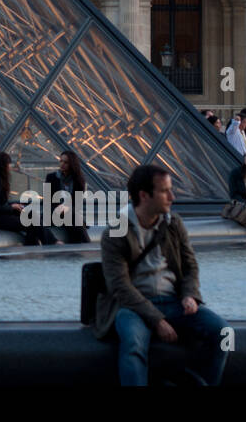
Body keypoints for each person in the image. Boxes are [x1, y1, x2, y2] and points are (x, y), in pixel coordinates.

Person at [93, 165, 230, 386]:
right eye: (165, 191)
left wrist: (189, 295)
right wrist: (156, 319)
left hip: (174, 302)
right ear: (144, 196)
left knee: (225, 334)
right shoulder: (116, 230)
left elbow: (190, 266)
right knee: (134, 345)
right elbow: (119, 286)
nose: (172, 196)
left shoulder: (174, 223)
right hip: (133, 307)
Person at [0, 140, 55, 245]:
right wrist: (12, 207)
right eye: (9, 164)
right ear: (3, 166)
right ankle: (48, 243)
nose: (10, 167)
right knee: (31, 221)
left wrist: (14, 207)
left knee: (31, 215)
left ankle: (40, 244)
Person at [46, 149, 90, 243]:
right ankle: (88, 245)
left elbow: (77, 204)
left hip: (70, 214)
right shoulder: (51, 178)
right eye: (61, 161)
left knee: (71, 218)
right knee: (75, 221)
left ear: (72, 164)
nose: (62, 164)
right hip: (53, 214)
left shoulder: (79, 181)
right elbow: (47, 202)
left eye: (66, 162)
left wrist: (67, 208)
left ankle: (79, 250)